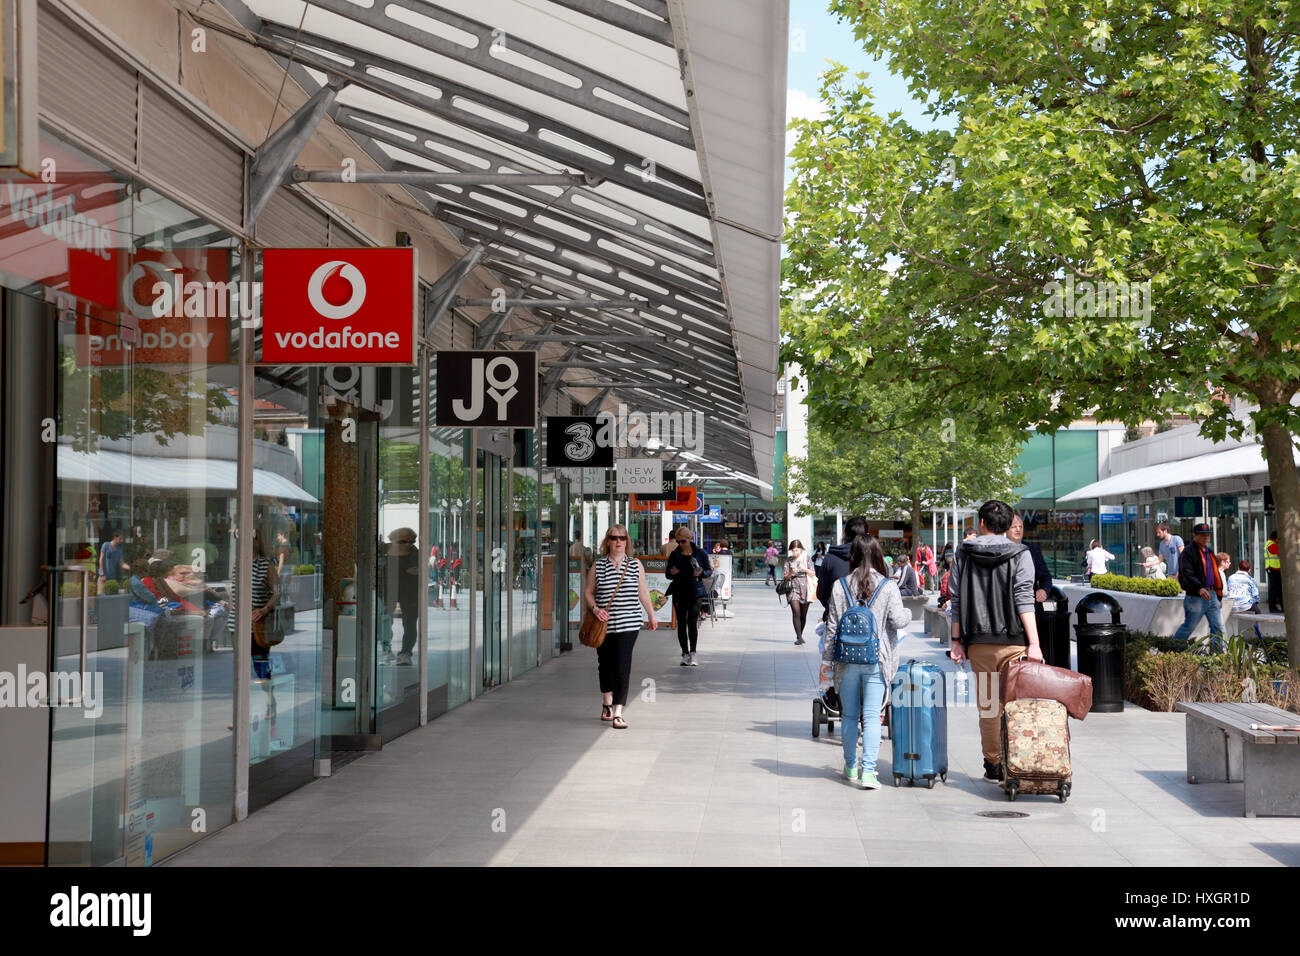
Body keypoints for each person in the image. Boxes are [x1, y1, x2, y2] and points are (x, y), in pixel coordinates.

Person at [947, 499, 1043, 784]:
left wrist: (956, 640)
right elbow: (1024, 599)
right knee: (1015, 705)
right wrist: (1034, 643)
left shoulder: (963, 552)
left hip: (978, 642)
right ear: (1008, 525)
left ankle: (993, 764)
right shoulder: (1021, 554)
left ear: (982, 524)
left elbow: (956, 598)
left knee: (988, 707)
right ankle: (1017, 760)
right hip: (1014, 641)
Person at [819, 534, 911, 789]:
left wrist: (827, 662)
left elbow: (832, 627)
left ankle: (850, 766)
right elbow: (898, 621)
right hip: (877, 659)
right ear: (880, 555)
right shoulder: (888, 586)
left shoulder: (840, 586)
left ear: (853, 556)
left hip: (845, 661)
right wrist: (909, 613)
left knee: (849, 716)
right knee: (872, 716)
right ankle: (868, 773)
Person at [584, 524, 657, 728]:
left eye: (622, 538)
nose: (618, 541)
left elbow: (643, 592)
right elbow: (589, 591)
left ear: (627, 541)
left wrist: (651, 615)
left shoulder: (635, 565)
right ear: (608, 541)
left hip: (629, 623)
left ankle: (618, 711)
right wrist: (596, 609)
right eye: (614, 537)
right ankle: (607, 702)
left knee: (622, 665)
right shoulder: (598, 565)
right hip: (603, 625)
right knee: (605, 664)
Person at [227, 533, 281, 678]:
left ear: (257, 542)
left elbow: (277, 592)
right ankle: (244, 698)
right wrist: (231, 608)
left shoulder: (266, 565)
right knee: (239, 664)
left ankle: (268, 694)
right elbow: (234, 589)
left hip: (256, 622)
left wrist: (265, 609)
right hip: (236, 623)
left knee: (260, 662)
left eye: (251, 539)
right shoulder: (237, 564)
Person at [666, 526, 711, 665]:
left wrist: (702, 572)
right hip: (679, 591)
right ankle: (684, 653)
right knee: (681, 623)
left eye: (683, 541)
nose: (680, 544)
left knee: (692, 622)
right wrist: (671, 572)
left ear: (690, 539)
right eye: (678, 541)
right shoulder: (675, 554)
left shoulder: (700, 553)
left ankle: (693, 653)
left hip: (695, 591)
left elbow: (709, 571)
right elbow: (667, 574)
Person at [1173, 523, 1224, 644]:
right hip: (1196, 596)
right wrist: (1199, 588)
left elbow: (1215, 573)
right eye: (1202, 535)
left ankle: (1217, 657)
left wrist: (1218, 595)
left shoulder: (1209, 552)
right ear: (1194, 535)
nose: (1206, 537)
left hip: (1212, 594)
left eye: (1207, 535)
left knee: (1218, 628)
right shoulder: (1188, 552)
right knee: (1189, 627)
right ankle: (1172, 649)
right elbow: (1187, 574)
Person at [382, 528, 421, 665]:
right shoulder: (382, 551)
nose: (408, 544)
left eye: (412, 541)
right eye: (403, 541)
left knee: (410, 623)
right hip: (387, 590)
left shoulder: (415, 553)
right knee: (384, 621)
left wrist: (418, 572)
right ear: (393, 539)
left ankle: (405, 653)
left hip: (410, 592)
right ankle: (386, 650)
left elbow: (422, 570)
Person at [817, 516, 868, 617]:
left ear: (845, 533)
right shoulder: (873, 558)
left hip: (836, 619)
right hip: (869, 622)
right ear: (867, 535)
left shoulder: (831, 557)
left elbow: (821, 592)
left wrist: (831, 607)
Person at [1008, 513, 1051, 605]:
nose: (1018, 529)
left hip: (1030, 604)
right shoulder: (999, 548)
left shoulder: (1033, 549)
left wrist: (1044, 590)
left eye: (1021, 526)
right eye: (1014, 527)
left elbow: (1045, 576)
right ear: (1006, 529)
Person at [783, 539, 817, 644]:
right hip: (793, 587)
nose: (795, 553)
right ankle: (799, 637)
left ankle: (800, 634)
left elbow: (813, 573)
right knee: (796, 611)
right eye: (793, 550)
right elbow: (785, 576)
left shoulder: (806, 558)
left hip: (805, 587)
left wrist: (804, 569)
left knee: (803, 615)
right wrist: (792, 571)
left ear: (801, 549)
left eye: (796, 550)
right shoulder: (788, 560)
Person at [1265, 531, 1283, 613]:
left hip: (1272, 569)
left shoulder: (1268, 543)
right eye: (1278, 539)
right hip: (1273, 569)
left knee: (1277, 589)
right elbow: (1281, 553)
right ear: (1276, 538)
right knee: (1274, 589)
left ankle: (1276, 606)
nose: (1278, 541)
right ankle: (1272, 607)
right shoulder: (1272, 545)